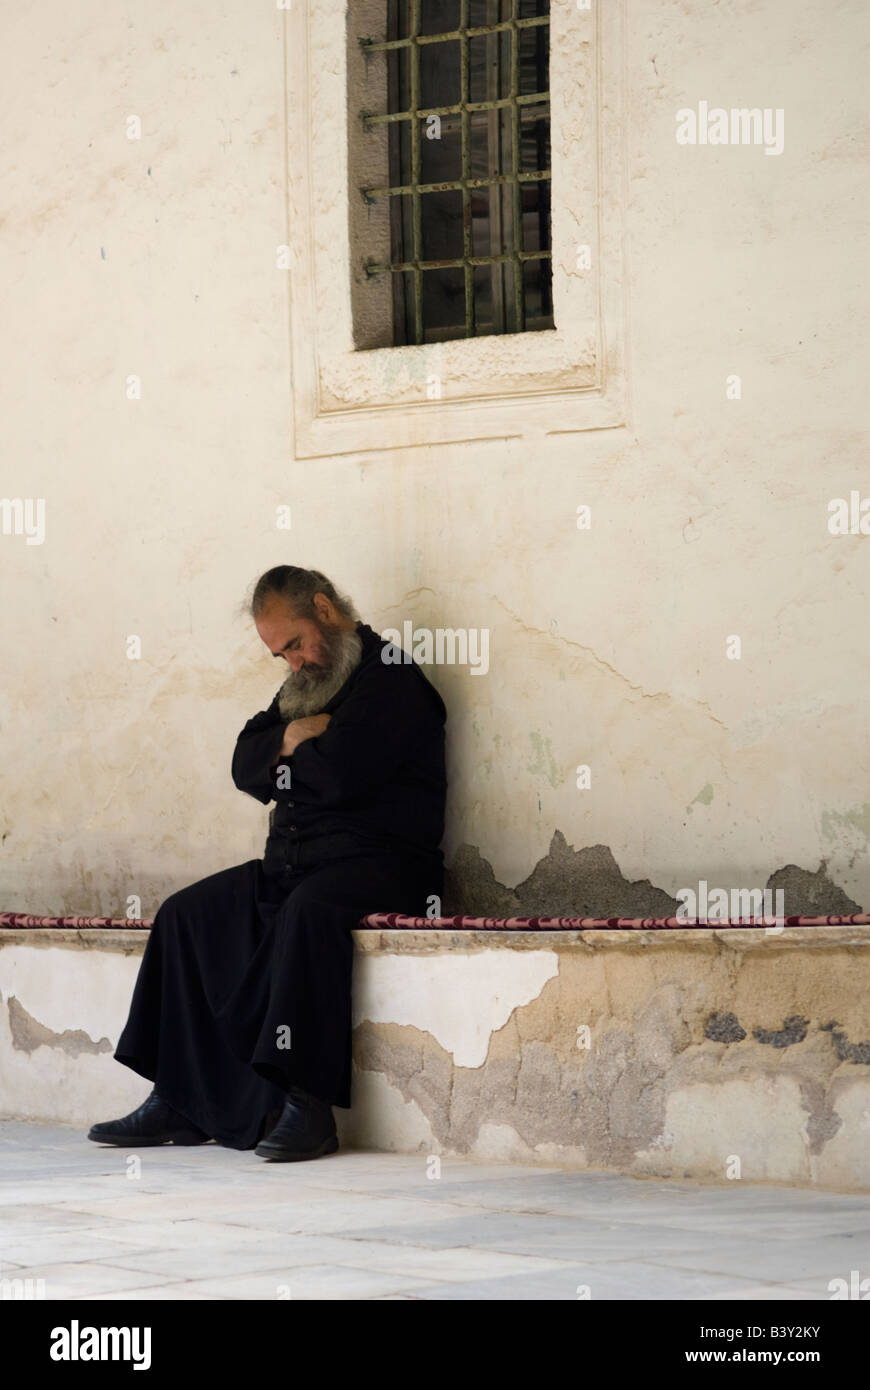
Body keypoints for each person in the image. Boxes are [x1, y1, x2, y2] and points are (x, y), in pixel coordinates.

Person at [87, 566, 447, 1161]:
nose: (293, 662)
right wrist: (295, 734)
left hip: (386, 866)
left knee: (309, 911)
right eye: (281, 653)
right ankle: (179, 1097)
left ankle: (308, 1108)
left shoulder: (393, 680)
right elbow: (241, 761)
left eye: (296, 643)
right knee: (185, 913)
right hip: (295, 867)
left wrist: (283, 754)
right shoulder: (302, 692)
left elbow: (338, 777)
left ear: (325, 611)